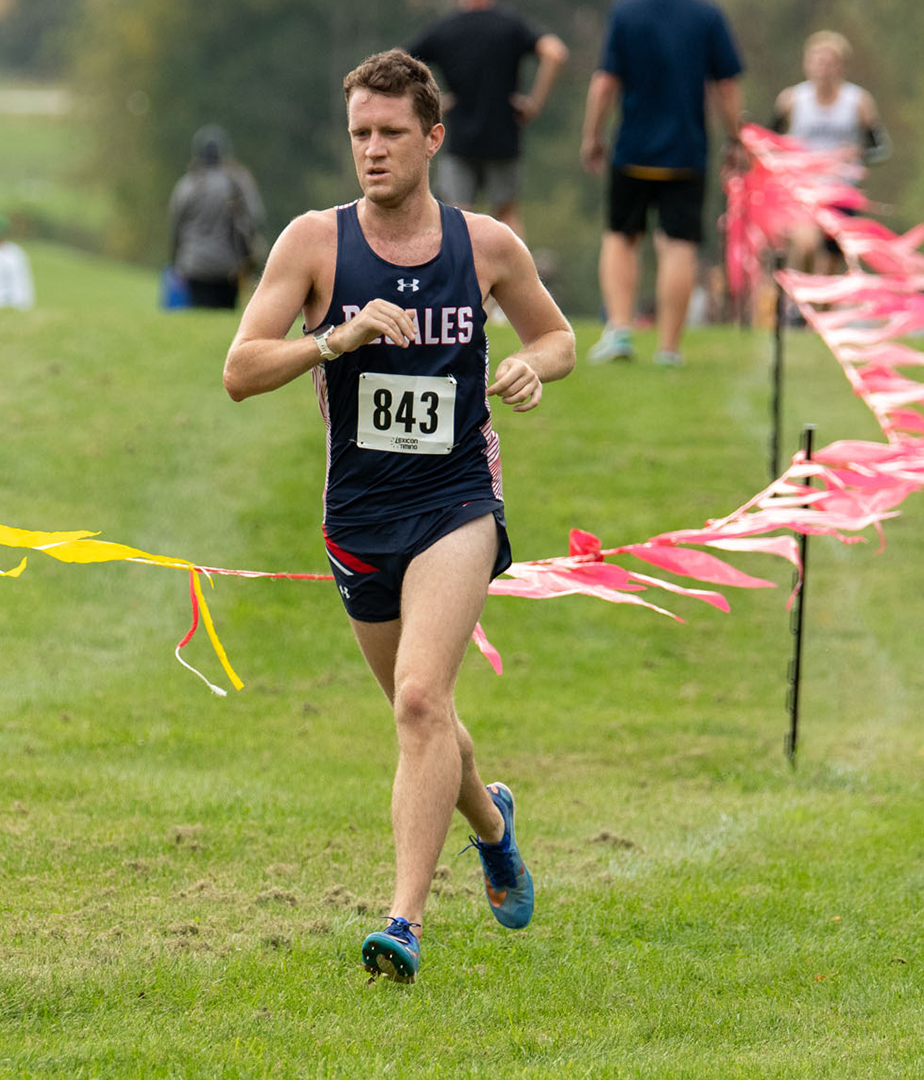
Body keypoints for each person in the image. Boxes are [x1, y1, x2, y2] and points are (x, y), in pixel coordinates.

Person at [223, 49, 574, 983]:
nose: (372, 152)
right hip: (358, 516)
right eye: (359, 136)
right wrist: (332, 339)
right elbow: (239, 370)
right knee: (424, 717)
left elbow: (556, 331)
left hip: (457, 499)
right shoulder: (314, 244)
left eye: (389, 134)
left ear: (432, 138)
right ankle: (493, 826)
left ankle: (403, 924)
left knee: (422, 698)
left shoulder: (485, 244)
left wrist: (537, 365)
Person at [581, 0, 743, 367]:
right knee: (679, 245)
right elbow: (726, 85)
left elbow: (606, 81)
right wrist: (735, 139)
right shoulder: (706, 15)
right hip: (687, 152)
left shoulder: (626, 13)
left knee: (621, 237)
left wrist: (592, 135)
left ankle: (620, 330)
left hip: (632, 150)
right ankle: (669, 348)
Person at [405, 0, 569, 241]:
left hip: (459, 139)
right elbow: (555, 53)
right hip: (503, 135)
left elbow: (399, 62)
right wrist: (534, 103)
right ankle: (512, 276)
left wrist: (434, 103)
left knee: (457, 215)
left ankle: (460, 276)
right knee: (507, 215)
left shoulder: (445, 29)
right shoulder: (509, 25)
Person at [772, 30, 889, 277]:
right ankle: (799, 298)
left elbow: (881, 148)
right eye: (817, 60)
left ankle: (817, 310)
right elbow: (767, 144)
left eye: (829, 62)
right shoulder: (791, 100)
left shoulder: (859, 103)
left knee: (829, 266)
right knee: (806, 244)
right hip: (803, 189)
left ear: (841, 67)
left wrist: (859, 153)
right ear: (807, 64)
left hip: (841, 192)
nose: (823, 68)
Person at [168, 125, 267, 310]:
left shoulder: (186, 186)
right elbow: (256, 218)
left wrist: (175, 264)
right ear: (223, 152)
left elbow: (176, 229)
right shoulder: (236, 183)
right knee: (226, 320)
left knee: (199, 319)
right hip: (228, 268)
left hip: (193, 267)